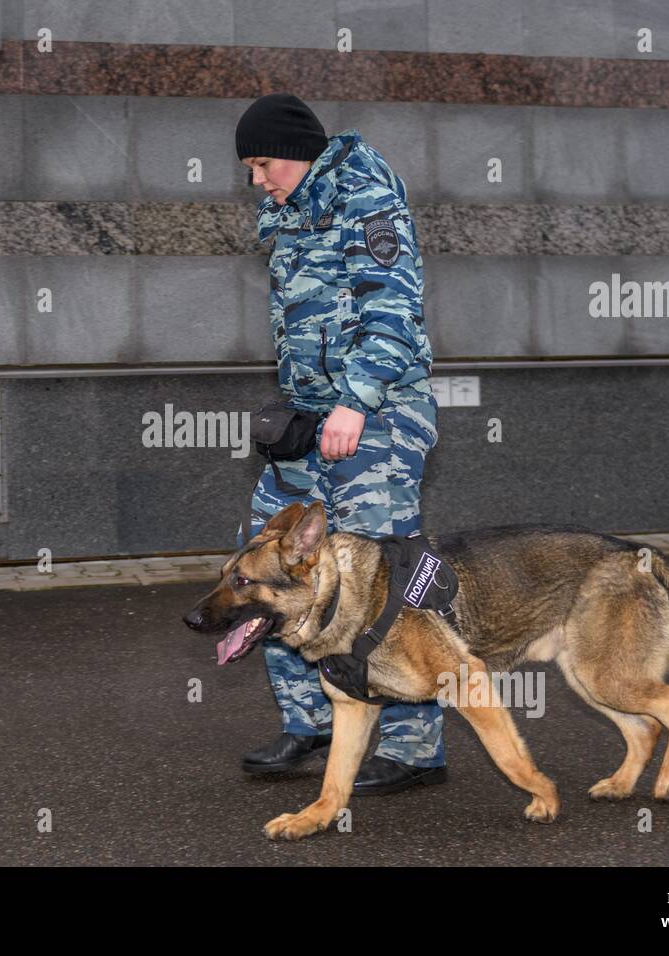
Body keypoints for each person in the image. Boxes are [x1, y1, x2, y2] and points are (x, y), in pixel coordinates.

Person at [233, 92, 446, 795]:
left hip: (376, 415)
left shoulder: (364, 191)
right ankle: (312, 722)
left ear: (294, 149)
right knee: (272, 560)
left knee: (384, 577)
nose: (256, 179)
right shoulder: (292, 209)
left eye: (262, 163)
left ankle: (415, 746)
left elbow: (392, 301)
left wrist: (357, 400)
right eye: (250, 167)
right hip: (309, 419)